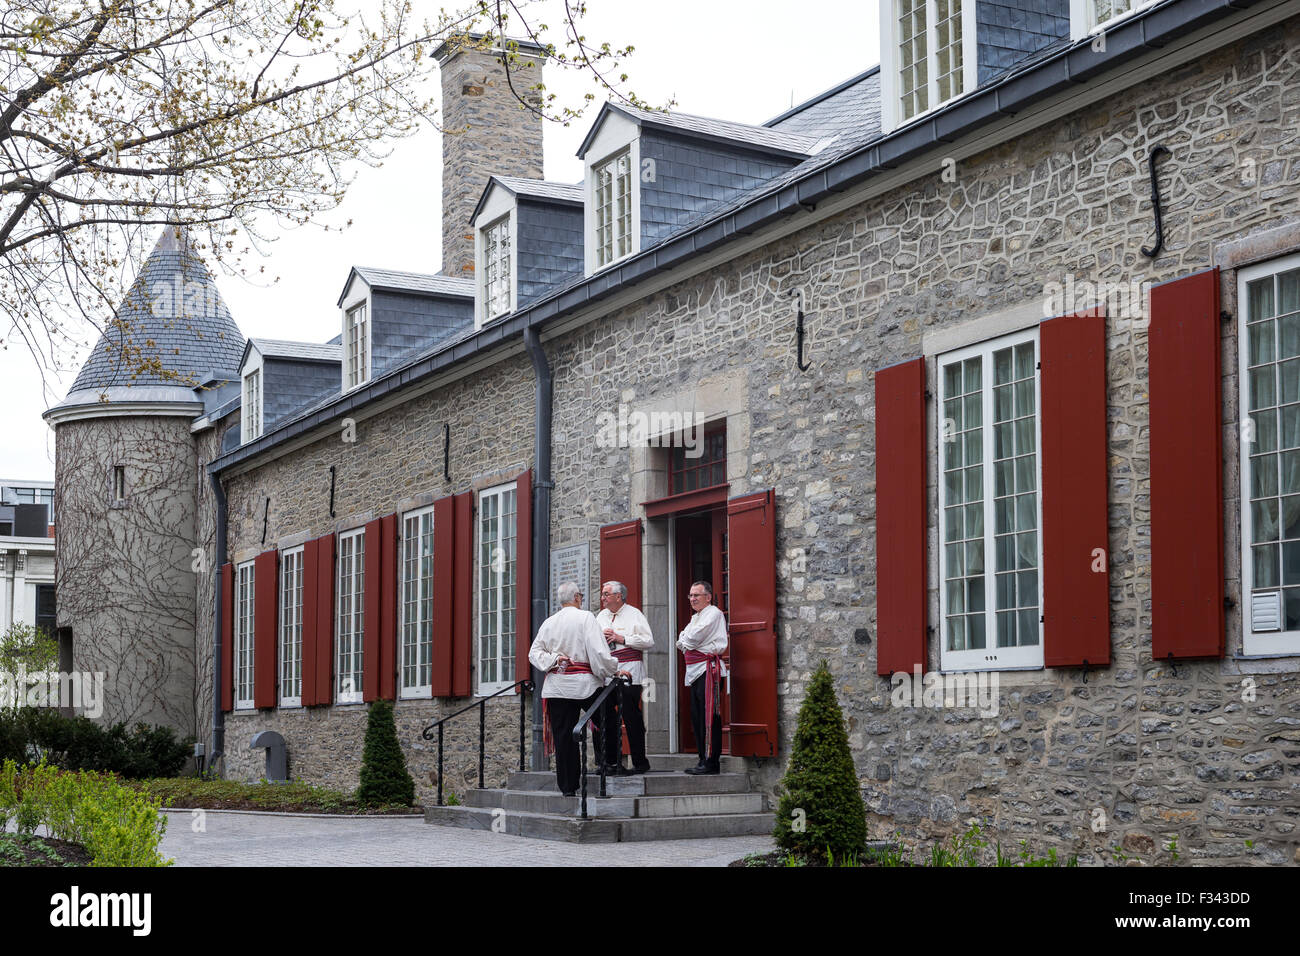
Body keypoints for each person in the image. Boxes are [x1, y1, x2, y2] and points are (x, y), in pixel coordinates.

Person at [528, 581, 621, 796]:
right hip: (584, 684)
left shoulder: (549, 622)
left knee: (563, 736)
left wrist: (554, 660)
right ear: (578, 597)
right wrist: (611, 669)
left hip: (557, 687)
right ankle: (611, 765)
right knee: (608, 721)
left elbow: (534, 653)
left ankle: (568, 787)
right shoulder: (586, 617)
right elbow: (598, 653)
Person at [595, 579, 654, 775]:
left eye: (606, 594)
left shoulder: (634, 614)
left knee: (631, 718)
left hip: (630, 673)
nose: (602, 598)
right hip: (606, 674)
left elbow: (648, 641)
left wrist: (622, 639)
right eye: (603, 594)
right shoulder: (600, 616)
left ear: (618, 596)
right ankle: (607, 762)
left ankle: (639, 762)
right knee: (603, 717)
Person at [675, 580, 728, 775]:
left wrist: (685, 640)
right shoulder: (696, 617)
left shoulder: (713, 613)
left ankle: (712, 762)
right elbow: (681, 640)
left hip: (709, 671)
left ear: (708, 597)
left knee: (709, 718)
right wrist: (685, 640)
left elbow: (691, 638)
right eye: (690, 595)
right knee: (697, 717)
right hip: (695, 671)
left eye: (696, 595)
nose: (692, 599)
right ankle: (701, 759)